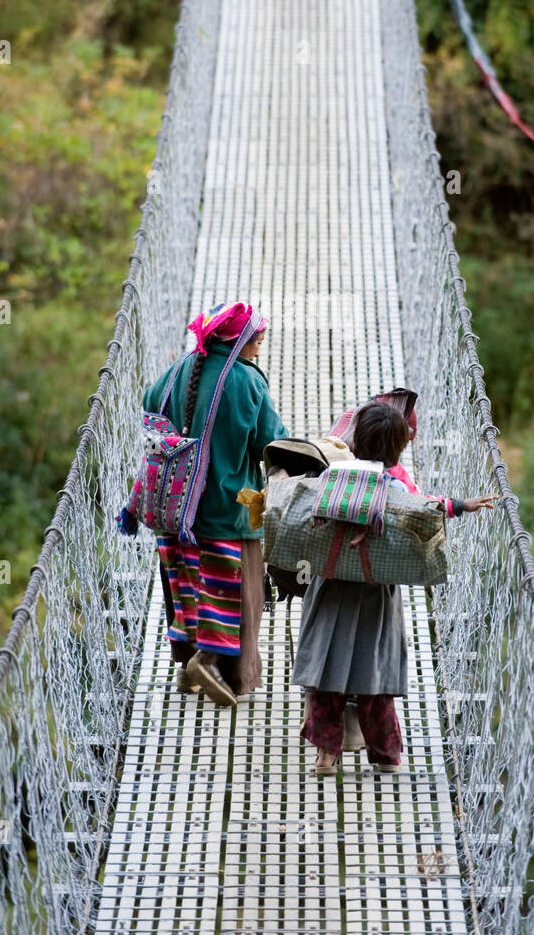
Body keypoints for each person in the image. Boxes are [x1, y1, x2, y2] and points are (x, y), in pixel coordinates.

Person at [292, 401, 496, 774]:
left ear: (353, 441)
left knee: (323, 670)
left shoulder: (331, 476)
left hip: (329, 589)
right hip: (376, 593)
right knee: (375, 673)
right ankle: (386, 756)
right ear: (400, 449)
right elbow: (426, 508)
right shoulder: (395, 489)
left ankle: (326, 755)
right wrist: (462, 505)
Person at [141, 301, 288, 708]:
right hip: (229, 509)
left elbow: (149, 406)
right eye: (258, 339)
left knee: (186, 583)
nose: (260, 346)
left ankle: (186, 667)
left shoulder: (176, 372)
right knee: (239, 591)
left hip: (173, 508)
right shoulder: (247, 381)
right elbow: (270, 442)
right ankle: (219, 667)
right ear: (239, 340)